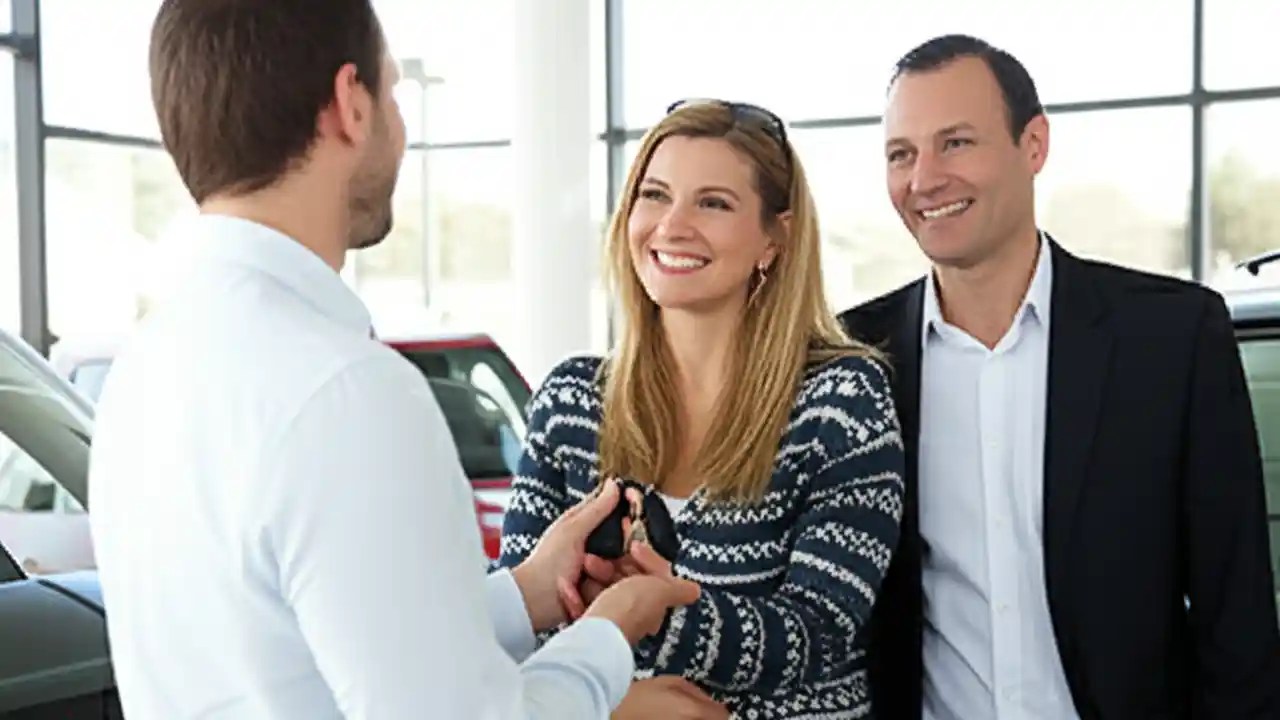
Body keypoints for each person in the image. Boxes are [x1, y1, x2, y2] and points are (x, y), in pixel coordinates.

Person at [86, 1, 700, 718]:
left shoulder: (143, 367)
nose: (401, 130)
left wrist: (526, 593)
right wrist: (608, 638)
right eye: (394, 95)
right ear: (351, 104)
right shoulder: (346, 392)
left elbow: (305, 645)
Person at [840, 33, 1280, 720]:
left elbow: (1238, 618)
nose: (924, 179)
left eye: (956, 143)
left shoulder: (1171, 338)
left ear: (1034, 145)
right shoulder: (854, 360)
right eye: (902, 154)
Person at [497, 98, 907, 719]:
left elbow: (818, 632)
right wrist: (618, 708)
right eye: (655, 195)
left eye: (712, 203)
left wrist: (655, 615)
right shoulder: (571, 404)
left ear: (776, 237)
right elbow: (521, 631)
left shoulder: (840, 404)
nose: (672, 226)